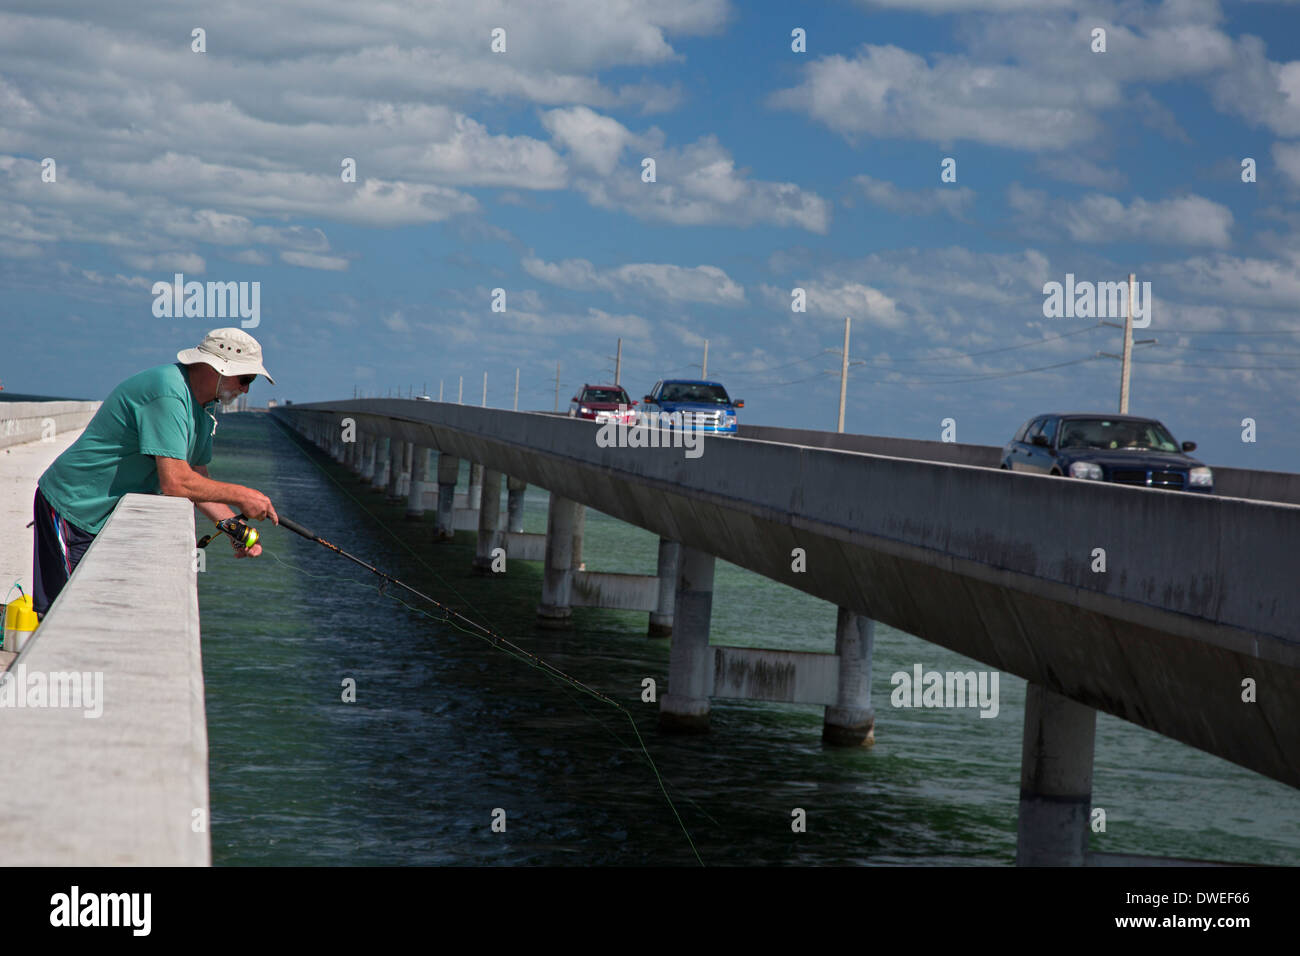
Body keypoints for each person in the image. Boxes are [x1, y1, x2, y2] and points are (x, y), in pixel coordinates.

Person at [31, 328, 280, 618]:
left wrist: (233, 527)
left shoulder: (203, 405)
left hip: (103, 519)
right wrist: (243, 495)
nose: (247, 389)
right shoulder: (168, 392)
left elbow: (197, 478)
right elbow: (175, 482)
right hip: (75, 507)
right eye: (246, 379)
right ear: (219, 368)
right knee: (66, 614)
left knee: (96, 610)